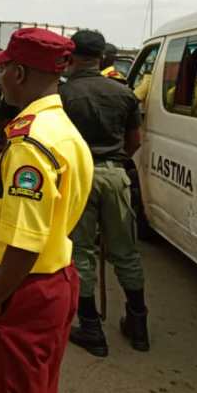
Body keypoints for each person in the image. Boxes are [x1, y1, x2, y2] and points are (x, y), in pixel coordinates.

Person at [0, 28, 93, 393]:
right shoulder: (62, 129)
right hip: (51, 278)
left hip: (21, 286)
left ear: (19, 73)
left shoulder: (31, 142)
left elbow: (25, 240)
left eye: (3, 68)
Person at [60, 30, 149, 357]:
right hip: (115, 174)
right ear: (102, 57)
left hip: (79, 177)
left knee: (81, 252)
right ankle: (139, 326)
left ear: (72, 55)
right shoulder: (123, 93)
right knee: (126, 251)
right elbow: (134, 141)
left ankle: (92, 329)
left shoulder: (65, 94)